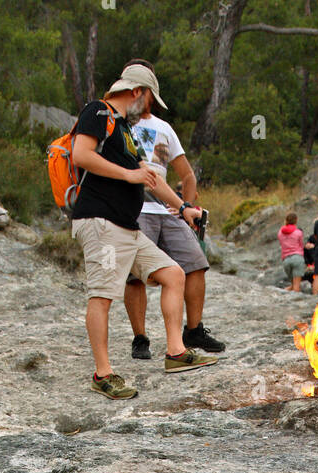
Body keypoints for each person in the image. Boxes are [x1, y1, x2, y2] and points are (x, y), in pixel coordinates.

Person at [70, 65, 217, 396]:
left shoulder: (125, 129)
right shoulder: (97, 111)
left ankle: (176, 352)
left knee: (173, 274)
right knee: (103, 295)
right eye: (150, 98)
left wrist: (183, 209)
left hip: (127, 228)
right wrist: (128, 176)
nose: (149, 106)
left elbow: (151, 177)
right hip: (101, 224)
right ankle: (102, 374)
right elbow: (81, 154)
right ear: (137, 92)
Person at [120, 62, 225, 359]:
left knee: (195, 262)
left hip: (166, 209)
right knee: (135, 275)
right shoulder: (117, 121)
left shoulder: (164, 128)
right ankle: (140, 338)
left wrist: (184, 207)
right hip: (134, 207)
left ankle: (193, 330)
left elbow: (187, 175)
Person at [278, 213, 305, 291]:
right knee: (296, 286)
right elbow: (301, 245)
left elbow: (281, 243)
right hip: (297, 258)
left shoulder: (280, 232)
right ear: (296, 221)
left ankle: (282, 294)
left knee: (293, 285)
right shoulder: (298, 232)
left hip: (286, 260)